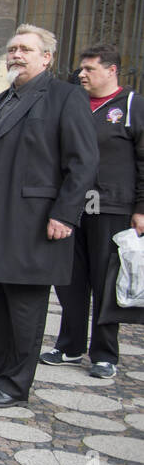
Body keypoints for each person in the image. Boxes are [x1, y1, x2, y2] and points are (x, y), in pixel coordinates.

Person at [0, 24, 97, 408]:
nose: (16, 54)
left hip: (31, 221)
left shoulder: (66, 97)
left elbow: (84, 163)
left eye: (25, 49)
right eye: (12, 48)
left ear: (46, 57)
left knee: (24, 305)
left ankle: (15, 384)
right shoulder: (3, 98)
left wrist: (66, 213)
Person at [42, 44, 144, 378]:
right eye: (81, 69)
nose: (82, 74)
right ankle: (70, 345)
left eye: (90, 69)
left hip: (113, 206)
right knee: (69, 280)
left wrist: (141, 207)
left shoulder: (131, 105)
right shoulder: (74, 102)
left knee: (105, 282)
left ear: (112, 70)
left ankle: (104, 353)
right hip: (73, 204)